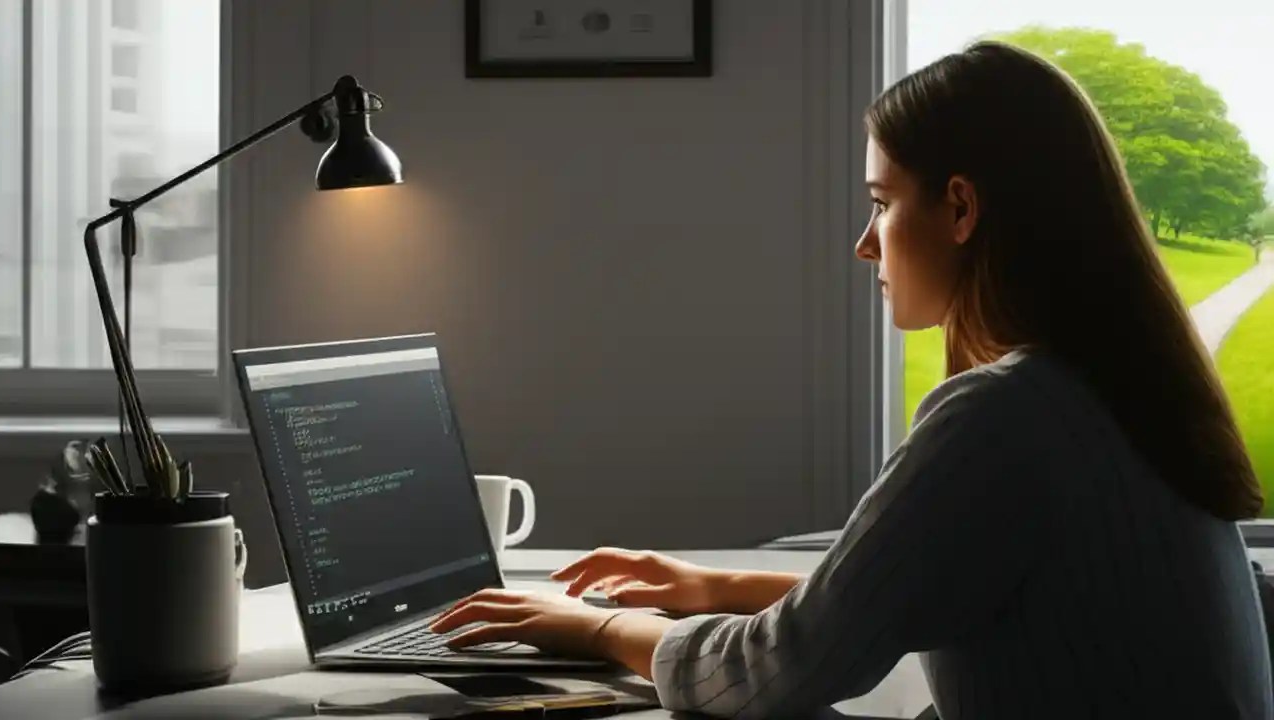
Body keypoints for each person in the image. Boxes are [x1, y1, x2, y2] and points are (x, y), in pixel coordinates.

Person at [430, 41, 1274, 719]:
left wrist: (601, 628)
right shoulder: (1119, 383)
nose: (865, 244)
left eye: (879, 201)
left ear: (959, 208)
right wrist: (712, 585)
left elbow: (778, 672)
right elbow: (926, 586)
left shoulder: (1008, 415)